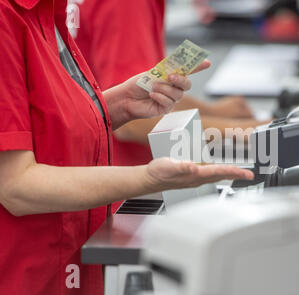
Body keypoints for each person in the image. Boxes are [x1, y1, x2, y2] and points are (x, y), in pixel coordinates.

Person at [0, 0, 253, 295]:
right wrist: (147, 178)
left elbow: (43, 126)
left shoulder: (46, 11)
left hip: (68, 261)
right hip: (29, 276)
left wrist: (113, 107)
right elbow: (15, 186)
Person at [74, 0, 270, 170]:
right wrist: (245, 131)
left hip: (90, 168)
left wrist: (212, 110)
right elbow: (132, 119)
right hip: (117, 180)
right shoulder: (127, 4)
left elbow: (147, 96)